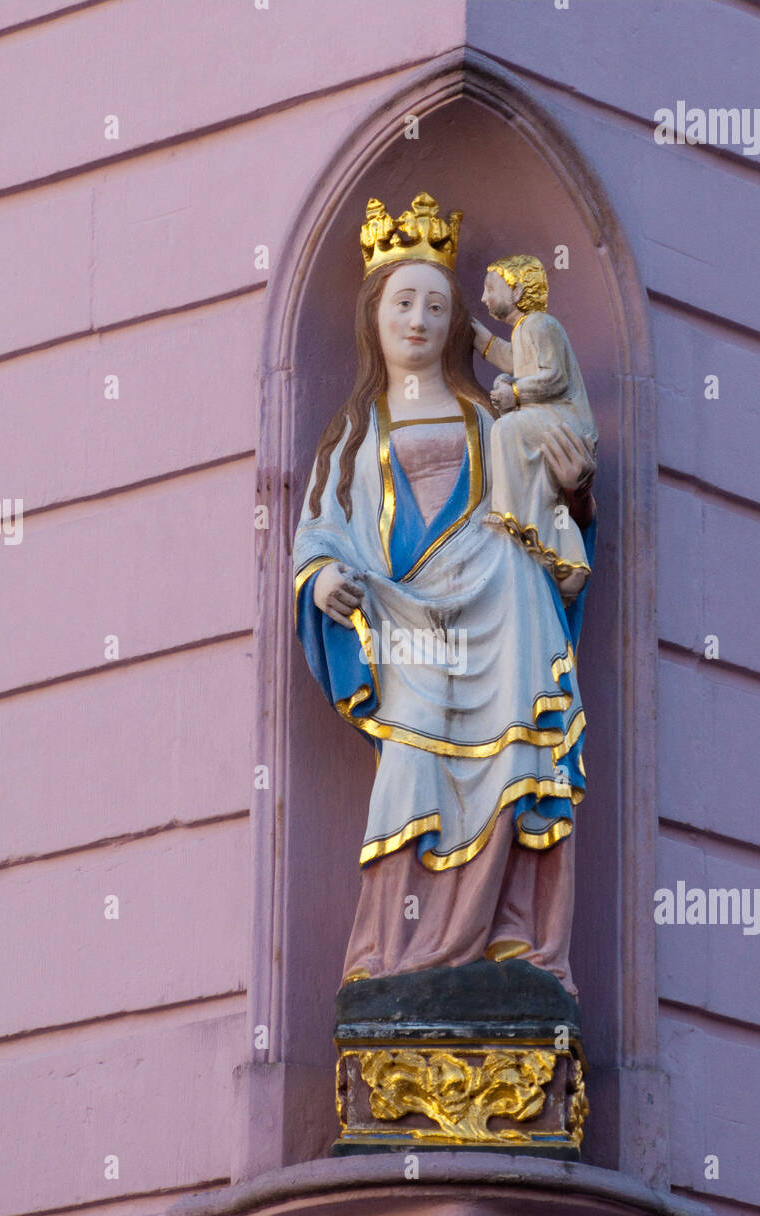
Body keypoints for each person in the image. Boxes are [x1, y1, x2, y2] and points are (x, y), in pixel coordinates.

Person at [293, 194, 596, 998]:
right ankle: (394, 954)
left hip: (504, 607)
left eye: (435, 303)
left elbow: (551, 507)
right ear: (374, 317)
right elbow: (324, 524)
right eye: (403, 302)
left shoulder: (489, 411)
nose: (419, 318)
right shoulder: (356, 428)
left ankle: (513, 939)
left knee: (515, 759)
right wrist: (322, 577)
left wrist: (574, 489)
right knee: (412, 772)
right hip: (404, 625)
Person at [472, 255, 597, 603]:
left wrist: (514, 392)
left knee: (506, 430)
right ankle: (558, 547)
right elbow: (514, 360)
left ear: (517, 290)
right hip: (549, 419)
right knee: (545, 490)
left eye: (490, 288)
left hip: (564, 421)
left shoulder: (539, 324)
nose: (484, 298)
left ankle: (509, 521)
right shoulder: (525, 329)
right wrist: (474, 334)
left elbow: (553, 376)